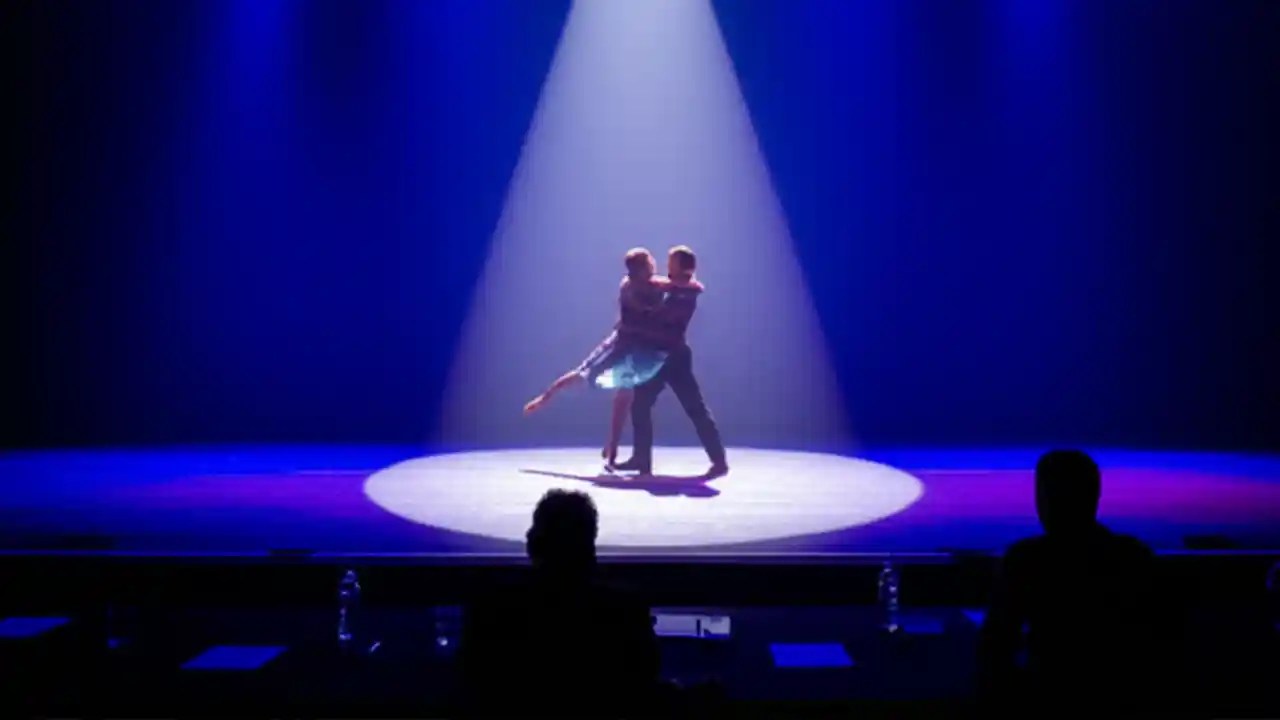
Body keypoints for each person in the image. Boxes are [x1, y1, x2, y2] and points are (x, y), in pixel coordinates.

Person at [978, 449, 1168, 709]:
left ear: (1043, 498)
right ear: (1094, 495)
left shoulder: (1026, 559)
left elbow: (996, 645)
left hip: (1049, 693)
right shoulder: (1134, 554)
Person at [458, 490, 660, 715]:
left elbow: (472, 681)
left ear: (534, 542)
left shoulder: (493, 608)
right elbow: (643, 680)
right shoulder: (623, 610)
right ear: (590, 546)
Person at [524, 247, 701, 465]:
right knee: (585, 372)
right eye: (649, 262)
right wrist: (684, 290)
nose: (654, 264)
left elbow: (671, 285)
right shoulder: (630, 287)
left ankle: (613, 447)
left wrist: (691, 286)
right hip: (621, 345)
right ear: (641, 268)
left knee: (624, 394)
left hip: (635, 348)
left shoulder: (652, 283)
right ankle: (546, 397)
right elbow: (650, 307)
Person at [612, 246, 727, 479]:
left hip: (673, 358)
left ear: (682, 265)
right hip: (657, 356)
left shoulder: (685, 292)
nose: (666, 264)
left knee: (694, 407)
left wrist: (636, 319)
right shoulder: (672, 286)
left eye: (671, 261)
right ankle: (641, 459)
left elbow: (659, 315)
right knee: (641, 405)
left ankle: (719, 460)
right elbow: (658, 286)